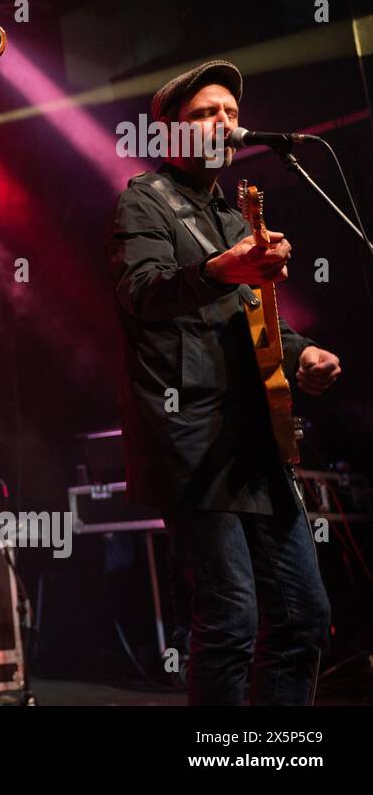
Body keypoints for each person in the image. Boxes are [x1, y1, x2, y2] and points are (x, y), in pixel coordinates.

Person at [107, 59, 340, 705]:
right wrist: (221, 269)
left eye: (233, 115)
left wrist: (304, 354)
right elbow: (141, 293)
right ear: (173, 132)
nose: (227, 124)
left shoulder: (240, 221)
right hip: (193, 443)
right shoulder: (142, 201)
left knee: (303, 616)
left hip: (256, 443)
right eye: (209, 113)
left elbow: (263, 325)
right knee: (231, 618)